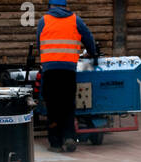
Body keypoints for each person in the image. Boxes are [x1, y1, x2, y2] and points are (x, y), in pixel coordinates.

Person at [37, 0, 98, 152]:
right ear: (65, 6)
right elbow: (88, 38)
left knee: (53, 106)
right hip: (68, 70)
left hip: (50, 70)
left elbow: (40, 44)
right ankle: (69, 137)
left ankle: (55, 144)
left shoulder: (43, 21)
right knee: (68, 105)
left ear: (50, 6)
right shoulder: (75, 20)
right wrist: (93, 53)